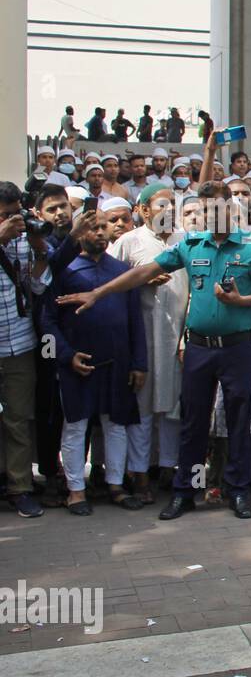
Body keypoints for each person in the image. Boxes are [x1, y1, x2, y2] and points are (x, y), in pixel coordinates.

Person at [56, 181, 251, 521]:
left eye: (217, 207)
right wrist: (99, 293)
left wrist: (242, 301)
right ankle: (185, 492)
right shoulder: (191, 245)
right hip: (198, 348)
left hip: (238, 347)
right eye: (205, 209)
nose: (211, 214)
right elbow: (145, 272)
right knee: (192, 422)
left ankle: (238, 491)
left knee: (238, 421)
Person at [43, 211, 148, 515]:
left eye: (105, 227)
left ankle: (115, 485)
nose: (101, 232)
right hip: (78, 363)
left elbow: (135, 321)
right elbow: (48, 321)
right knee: (75, 427)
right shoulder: (64, 271)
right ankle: (76, 491)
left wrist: (139, 363)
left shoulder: (122, 270)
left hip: (118, 363)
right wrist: (66, 355)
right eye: (94, 227)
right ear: (80, 232)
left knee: (116, 426)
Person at [109, 184, 187, 502]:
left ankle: (168, 467)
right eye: (160, 205)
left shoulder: (186, 240)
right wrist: (142, 279)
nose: (167, 211)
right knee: (141, 408)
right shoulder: (129, 242)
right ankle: (140, 473)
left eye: (172, 205)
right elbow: (109, 286)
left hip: (177, 338)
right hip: (141, 338)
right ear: (142, 210)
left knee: (173, 405)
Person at [0, 182, 52, 518]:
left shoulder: (24, 239)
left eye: (15, 213)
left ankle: (20, 487)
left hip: (18, 344)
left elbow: (36, 285)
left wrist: (40, 250)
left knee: (18, 420)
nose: (13, 220)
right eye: (5, 215)